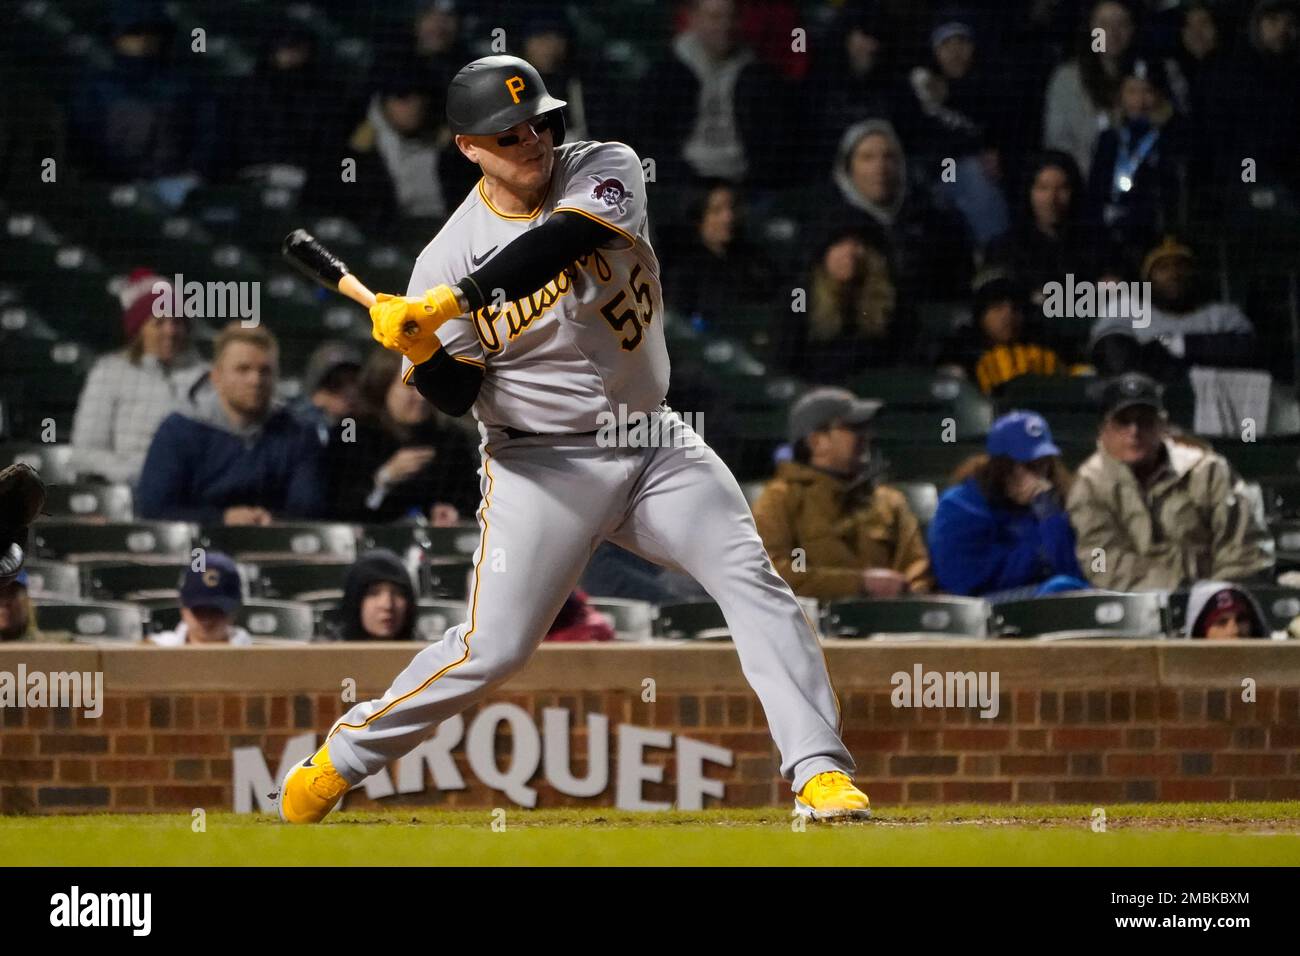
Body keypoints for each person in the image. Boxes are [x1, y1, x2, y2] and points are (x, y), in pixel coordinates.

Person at [276, 54, 870, 825]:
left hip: (652, 440)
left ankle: (818, 772)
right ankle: (341, 759)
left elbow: (554, 246)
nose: (531, 140)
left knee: (753, 583)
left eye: (538, 123)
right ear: (468, 147)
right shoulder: (444, 255)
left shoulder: (602, 165)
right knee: (494, 648)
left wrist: (451, 302)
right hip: (539, 462)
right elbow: (457, 395)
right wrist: (423, 352)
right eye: (508, 132)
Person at [1066, 373, 1274, 591]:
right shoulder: (1089, 484)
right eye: (1123, 421)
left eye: (1145, 420)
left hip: (1216, 605)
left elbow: (1243, 545)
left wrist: (1216, 600)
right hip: (1131, 609)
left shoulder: (1208, 470)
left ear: (1162, 425)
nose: (1134, 431)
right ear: (1104, 429)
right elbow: (1100, 560)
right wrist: (1177, 590)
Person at [752, 387, 933, 602]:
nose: (866, 436)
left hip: (888, 626)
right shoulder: (779, 499)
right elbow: (772, 573)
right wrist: (859, 583)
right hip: (814, 627)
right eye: (853, 428)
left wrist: (909, 592)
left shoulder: (889, 500)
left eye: (865, 428)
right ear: (817, 442)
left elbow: (916, 566)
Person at [136, 323, 327, 525]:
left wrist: (271, 522)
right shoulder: (179, 431)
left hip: (276, 547)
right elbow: (154, 509)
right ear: (216, 377)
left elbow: (308, 510)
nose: (255, 380)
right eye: (243, 369)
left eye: (265, 371)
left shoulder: (299, 434)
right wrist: (222, 519)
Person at [68, 0, 217, 204]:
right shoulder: (95, 89)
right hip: (110, 188)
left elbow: (207, 134)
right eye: (133, 33)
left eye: (151, 33)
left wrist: (194, 174)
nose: (143, 41)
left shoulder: (187, 85)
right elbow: (82, 142)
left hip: (174, 186)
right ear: (116, 37)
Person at [928, 411, 1087, 599]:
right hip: (979, 608)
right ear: (1000, 466)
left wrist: (1050, 519)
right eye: (1025, 465)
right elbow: (962, 581)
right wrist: (1038, 554)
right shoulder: (960, 505)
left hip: (1048, 596)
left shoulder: (1052, 501)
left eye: (1041, 464)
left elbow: (1074, 570)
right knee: (1060, 589)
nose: (1035, 478)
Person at [69, 270, 208, 485]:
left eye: (178, 322)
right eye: (159, 322)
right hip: (130, 490)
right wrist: (142, 473)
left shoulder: (206, 376)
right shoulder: (109, 373)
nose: (171, 331)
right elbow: (86, 452)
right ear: (140, 329)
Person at [641, 0, 790, 187]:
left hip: (746, 183)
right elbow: (649, 140)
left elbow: (773, 145)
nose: (725, 26)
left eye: (732, 17)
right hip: (682, 183)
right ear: (693, 19)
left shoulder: (760, 76)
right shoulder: (666, 74)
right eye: (715, 17)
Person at [324, 349, 480, 523]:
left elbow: (469, 498)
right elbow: (338, 499)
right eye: (410, 387)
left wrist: (452, 513)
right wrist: (385, 477)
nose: (422, 397)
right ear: (382, 387)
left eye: (427, 386)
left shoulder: (450, 436)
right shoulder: (351, 429)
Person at [1088, 236, 1258, 377]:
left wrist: (1176, 345)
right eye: (1162, 268)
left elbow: (1248, 351)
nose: (1173, 275)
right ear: (1148, 278)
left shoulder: (1222, 314)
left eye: (1182, 266)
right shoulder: (1126, 308)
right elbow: (1113, 358)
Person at [770, 228, 900, 382]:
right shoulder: (800, 294)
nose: (849, 253)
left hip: (871, 386)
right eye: (839, 245)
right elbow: (787, 349)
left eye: (857, 245)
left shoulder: (884, 295)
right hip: (815, 386)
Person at [1042, 0, 1139, 177]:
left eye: (1122, 23)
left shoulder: (1150, 74)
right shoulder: (1067, 79)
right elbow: (1058, 144)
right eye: (1103, 24)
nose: (1112, 32)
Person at [938, 272, 1065, 395]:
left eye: (1015, 308)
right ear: (980, 315)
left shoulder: (1044, 347)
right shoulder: (960, 352)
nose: (1008, 315)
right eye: (997, 307)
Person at [148, 553, 253, 646]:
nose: (207, 620)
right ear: (183, 608)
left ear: (234, 611)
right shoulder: (156, 650)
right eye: (199, 610)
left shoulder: (254, 655)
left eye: (216, 611)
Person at [332, 549, 418, 642]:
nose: (387, 605)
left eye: (398, 593)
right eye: (373, 593)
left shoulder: (428, 654)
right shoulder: (324, 653)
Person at [290, 341, 363, 443]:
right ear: (316, 393)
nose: (350, 391)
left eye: (354, 381)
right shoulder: (295, 427)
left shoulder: (363, 428)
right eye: (336, 383)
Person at [1184, 580, 1269, 639]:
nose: (1235, 630)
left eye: (1241, 619)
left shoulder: (1275, 665)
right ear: (1201, 632)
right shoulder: (1178, 665)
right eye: (1221, 622)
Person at [0, 571, 59, 643]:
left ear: (26, 602)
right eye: (1, 594)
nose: (3, 601)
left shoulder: (47, 647)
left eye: (11, 592)